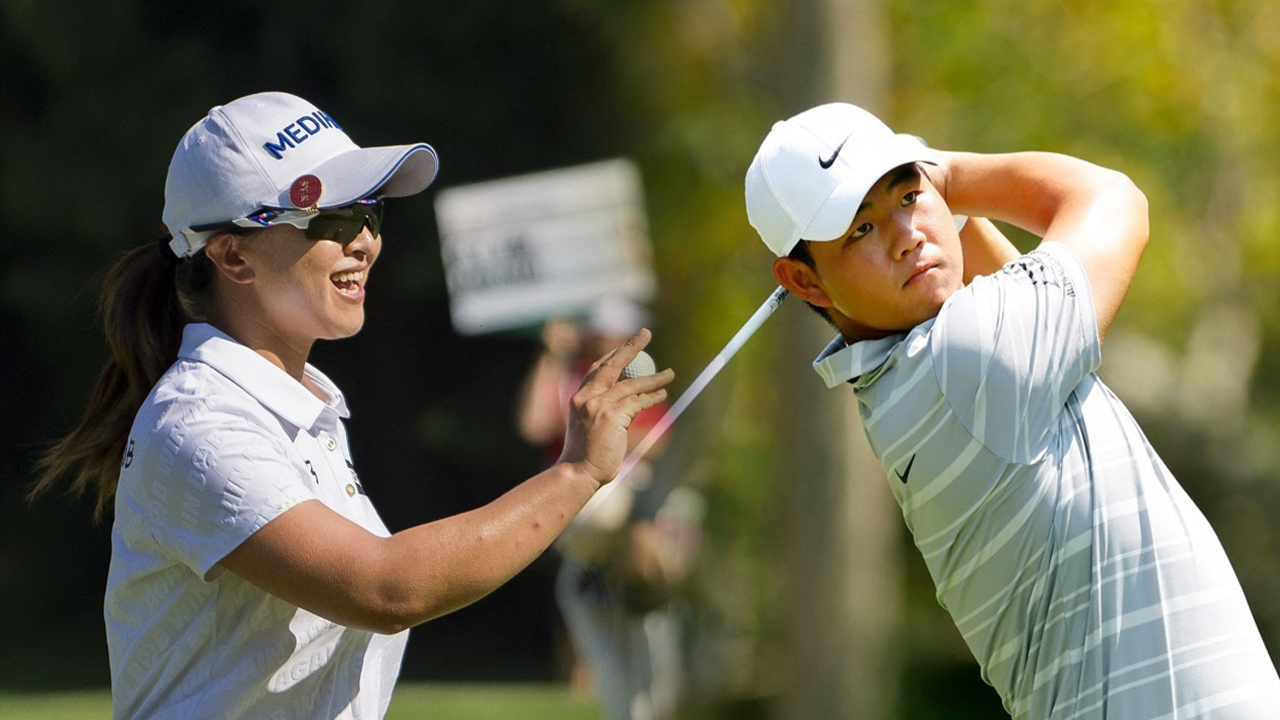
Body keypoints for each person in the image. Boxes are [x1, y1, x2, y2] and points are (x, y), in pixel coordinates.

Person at [29, 91, 673, 720]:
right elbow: (387, 589)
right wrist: (575, 473)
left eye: (370, 213)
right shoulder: (198, 423)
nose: (365, 240)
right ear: (232, 255)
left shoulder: (303, 404)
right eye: (332, 220)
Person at [744, 102, 1280, 719]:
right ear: (804, 283)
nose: (906, 236)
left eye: (907, 196)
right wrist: (947, 175)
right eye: (860, 229)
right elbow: (1113, 197)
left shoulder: (926, 374)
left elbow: (996, 277)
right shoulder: (966, 359)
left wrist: (934, 193)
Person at [516, 298, 702, 720]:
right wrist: (550, 355)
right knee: (608, 657)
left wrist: (591, 439)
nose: (614, 340)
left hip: (638, 526)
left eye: (622, 331)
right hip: (582, 529)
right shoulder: (569, 378)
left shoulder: (642, 379)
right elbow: (532, 424)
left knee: (651, 645)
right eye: (606, 330)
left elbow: (658, 445)